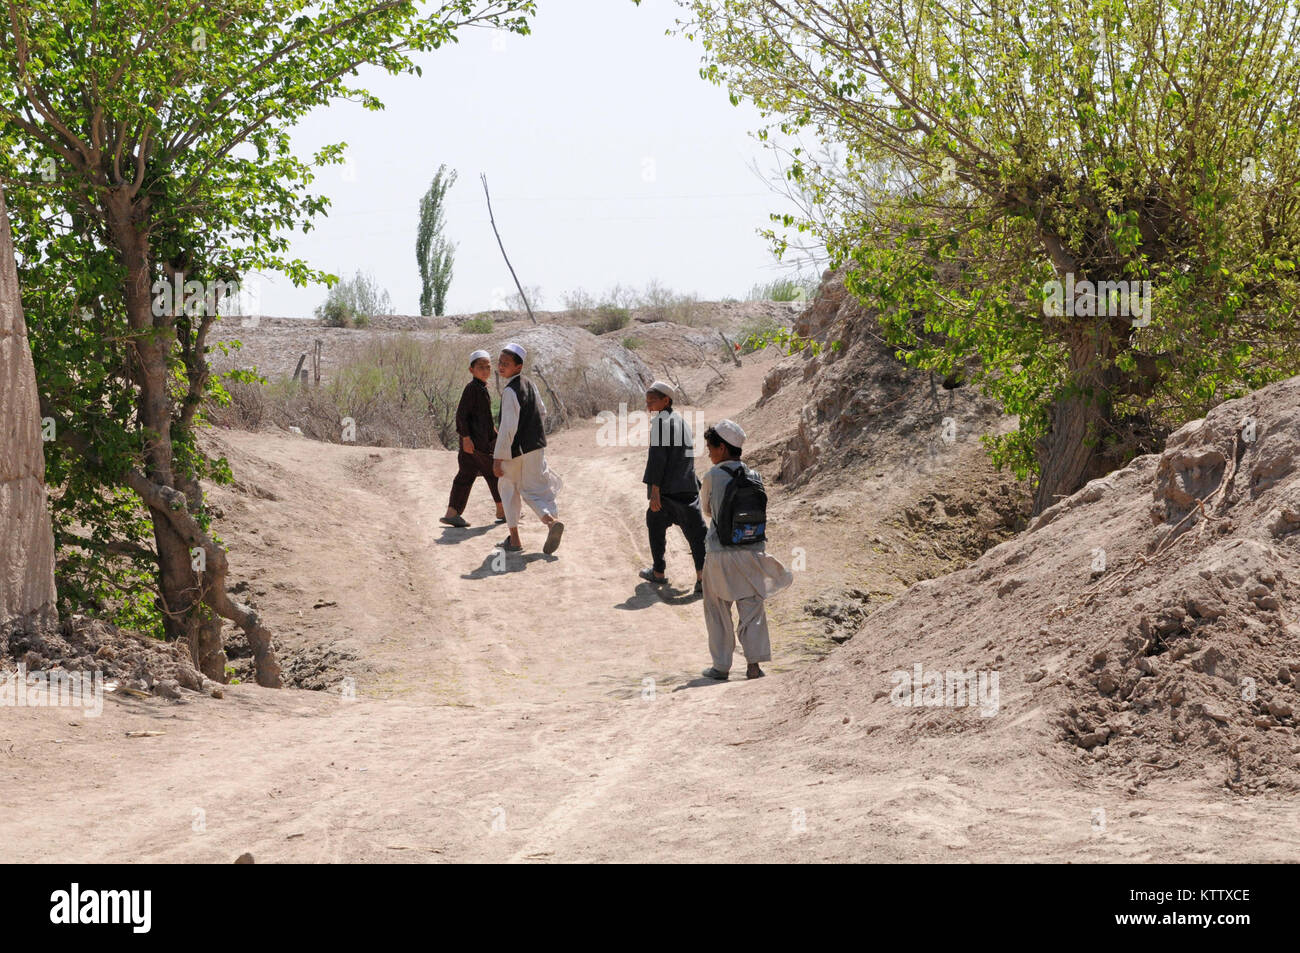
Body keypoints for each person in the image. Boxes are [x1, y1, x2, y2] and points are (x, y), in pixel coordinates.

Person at [698, 419, 792, 681]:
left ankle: (721, 666)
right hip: (753, 551)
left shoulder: (712, 476)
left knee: (717, 609)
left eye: (711, 447)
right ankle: (754, 666)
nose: (709, 453)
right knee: (752, 608)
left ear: (723, 448)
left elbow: (707, 511)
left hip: (719, 553)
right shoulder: (755, 476)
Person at [493, 342, 565, 554]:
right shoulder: (530, 385)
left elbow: (507, 428)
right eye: (500, 362)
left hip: (515, 452)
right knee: (533, 488)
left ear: (518, 367)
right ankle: (551, 522)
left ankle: (515, 540)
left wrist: (498, 458)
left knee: (508, 488)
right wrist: (533, 433)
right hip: (536, 447)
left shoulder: (509, 391)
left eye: (506, 363)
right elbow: (542, 412)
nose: (501, 366)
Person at [638, 381, 706, 595]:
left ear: (666, 400)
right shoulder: (680, 421)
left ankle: (659, 572)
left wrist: (655, 492)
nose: (649, 406)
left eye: (652, 401)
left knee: (655, 522)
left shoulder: (660, 423)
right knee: (696, 535)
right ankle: (702, 580)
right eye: (647, 402)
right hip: (687, 487)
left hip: (668, 491)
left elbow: (658, 459)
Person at [441, 349, 506, 528]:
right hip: (476, 444)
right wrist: (466, 438)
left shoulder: (481, 388)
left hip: (477, 442)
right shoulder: (472, 389)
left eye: (487, 367)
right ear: (472, 370)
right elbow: (461, 415)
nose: (485, 370)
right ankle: (502, 510)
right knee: (494, 473)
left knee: (465, 475)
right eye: (480, 367)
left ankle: (452, 513)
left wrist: (497, 435)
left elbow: (484, 419)